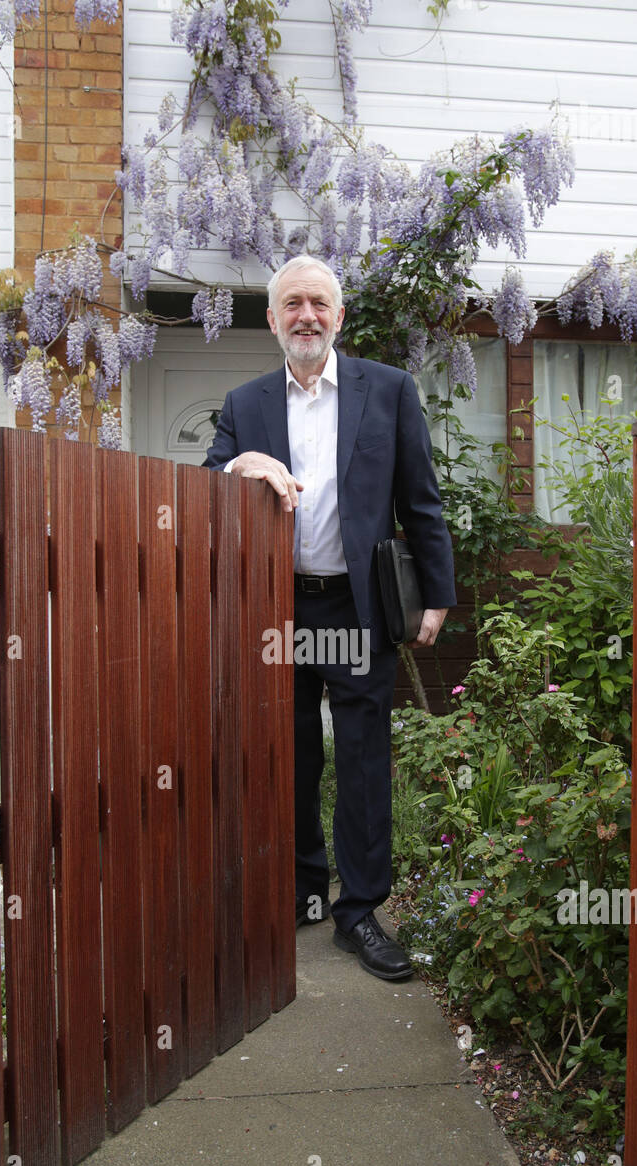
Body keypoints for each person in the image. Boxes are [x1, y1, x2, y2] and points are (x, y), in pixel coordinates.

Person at [203, 255, 455, 981]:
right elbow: (203, 484)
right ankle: (305, 892)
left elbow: (422, 498)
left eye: (319, 303)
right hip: (278, 607)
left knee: (363, 755)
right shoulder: (247, 403)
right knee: (289, 755)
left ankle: (360, 912)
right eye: (292, 304)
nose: (306, 315)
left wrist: (435, 595)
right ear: (273, 320)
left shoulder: (389, 390)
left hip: (356, 604)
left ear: (338, 317)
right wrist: (241, 465)